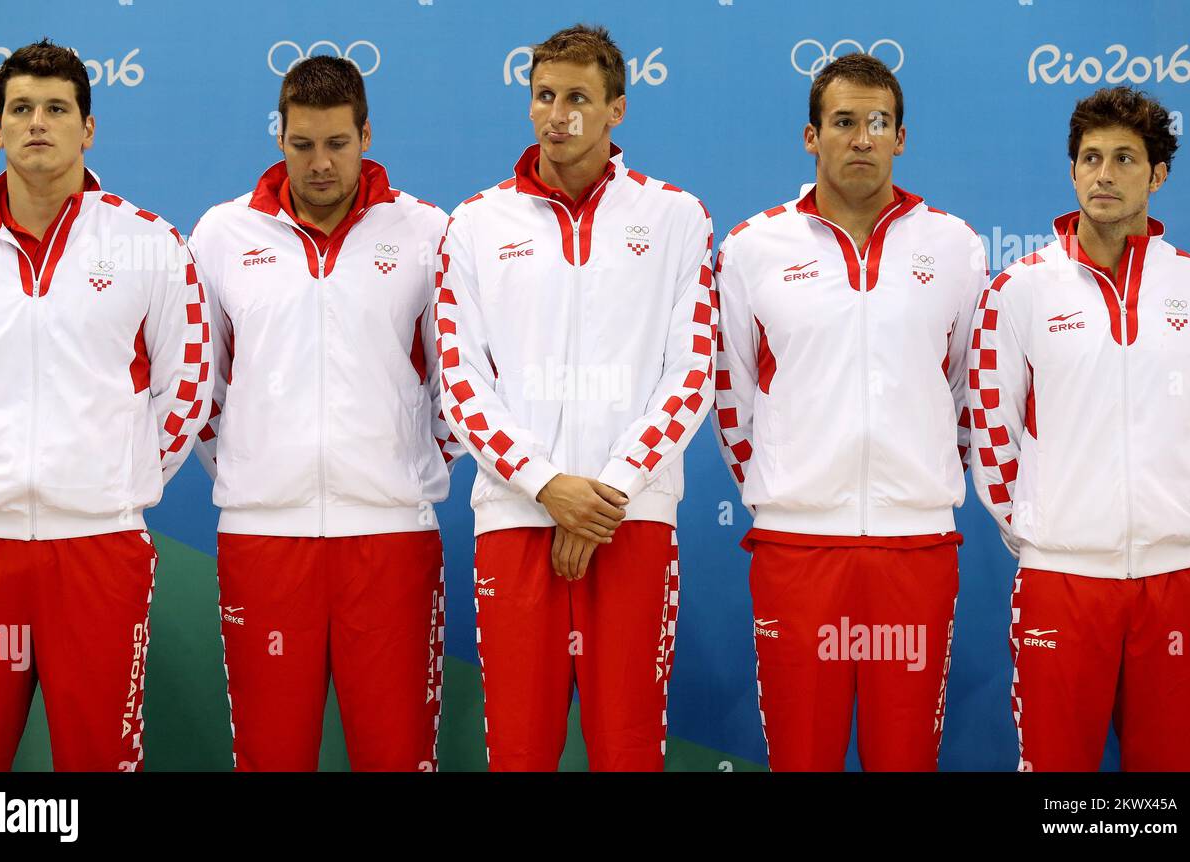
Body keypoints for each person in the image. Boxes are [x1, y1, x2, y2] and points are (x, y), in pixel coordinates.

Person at [435, 24, 716, 771]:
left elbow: (690, 375)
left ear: (617, 109)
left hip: (631, 521)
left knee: (627, 749)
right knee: (520, 751)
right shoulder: (474, 223)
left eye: (579, 98)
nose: (558, 114)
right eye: (544, 96)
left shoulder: (675, 218)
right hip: (515, 517)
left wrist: (606, 496)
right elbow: (461, 383)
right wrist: (546, 486)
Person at [0, 40, 211, 771]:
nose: (37, 124)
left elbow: (186, 388)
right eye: (20, 109)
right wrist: (2, 444)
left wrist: (109, 474)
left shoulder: (149, 244)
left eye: (57, 109)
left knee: (100, 757)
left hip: (99, 547)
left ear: (89, 128)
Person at [712, 53, 986, 771]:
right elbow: (731, 396)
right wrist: (787, 490)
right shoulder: (751, 249)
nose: (861, 138)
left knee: (906, 758)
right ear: (811, 137)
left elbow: (963, 394)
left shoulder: (955, 246)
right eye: (843, 122)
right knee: (803, 756)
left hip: (916, 549)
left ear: (902, 137)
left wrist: (917, 480)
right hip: (797, 552)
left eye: (877, 123)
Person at [187, 56, 459, 771]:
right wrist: (255, 466)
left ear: (366, 134)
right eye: (303, 144)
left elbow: (456, 387)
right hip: (263, 539)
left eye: (337, 143)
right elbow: (199, 388)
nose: (320, 163)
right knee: (271, 757)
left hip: (393, 538)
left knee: (398, 756)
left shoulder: (426, 233)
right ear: (279, 137)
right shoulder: (221, 235)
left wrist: (403, 465)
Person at [969, 86, 1190, 771]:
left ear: (1158, 174)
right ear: (1073, 170)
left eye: (1124, 159)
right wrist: (1046, 528)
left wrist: (1164, 503)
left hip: (1173, 580)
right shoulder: (1018, 289)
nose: (1103, 174)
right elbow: (990, 432)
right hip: (1061, 578)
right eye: (1090, 158)